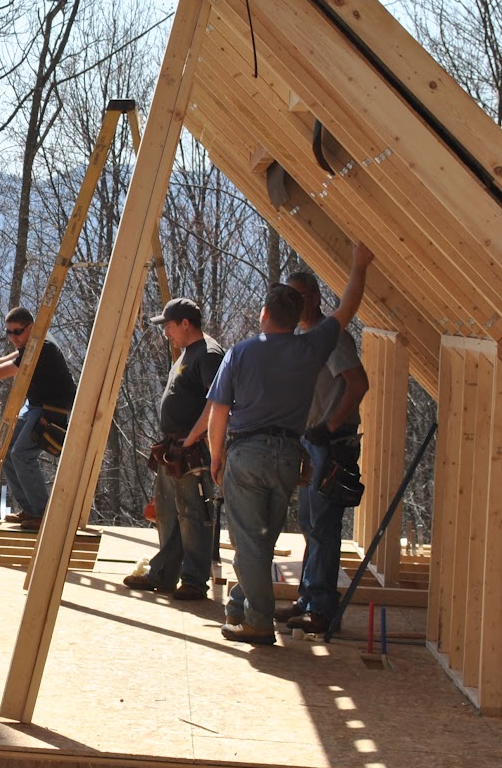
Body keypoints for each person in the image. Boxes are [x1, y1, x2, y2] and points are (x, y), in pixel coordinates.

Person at [207, 243, 374, 645]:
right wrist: (359, 265)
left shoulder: (240, 353)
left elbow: (218, 412)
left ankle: (258, 622)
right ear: (299, 313)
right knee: (261, 539)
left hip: (247, 454)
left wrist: (216, 457)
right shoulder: (310, 347)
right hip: (289, 458)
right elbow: (348, 307)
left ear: (264, 316)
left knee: (249, 541)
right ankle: (240, 608)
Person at [284, 270, 369, 634]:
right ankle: (307, 599)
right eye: (286, 298)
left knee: (323, 525)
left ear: (315, 298)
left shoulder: (331, 339)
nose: (291, 305)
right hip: (311, 441)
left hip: (331, 445)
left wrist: (329, 427)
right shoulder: (303, 338)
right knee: (309, 523)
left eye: (298, 298)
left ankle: (321, 607)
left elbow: (359, 383)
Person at [124, 298, 223, 601]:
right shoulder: (187, 354)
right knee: (168, 512)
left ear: (184, 323)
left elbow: (217, 403)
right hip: (175, 445)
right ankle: (164, 575)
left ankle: (194, 581)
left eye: (168, 325)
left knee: (193, 514)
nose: (165, 331)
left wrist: (193, 438)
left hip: (191, 447)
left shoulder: (208, 354)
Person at [0, 306, 77, 531]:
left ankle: (42, 513)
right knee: (7, 452)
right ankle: (30, 510)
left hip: (52, 410)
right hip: (35, 406)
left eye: (18, 332)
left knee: (21, 455)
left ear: (31, 328)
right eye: (9, 333)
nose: (13, 337)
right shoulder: (30, 344)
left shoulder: (40, 348)